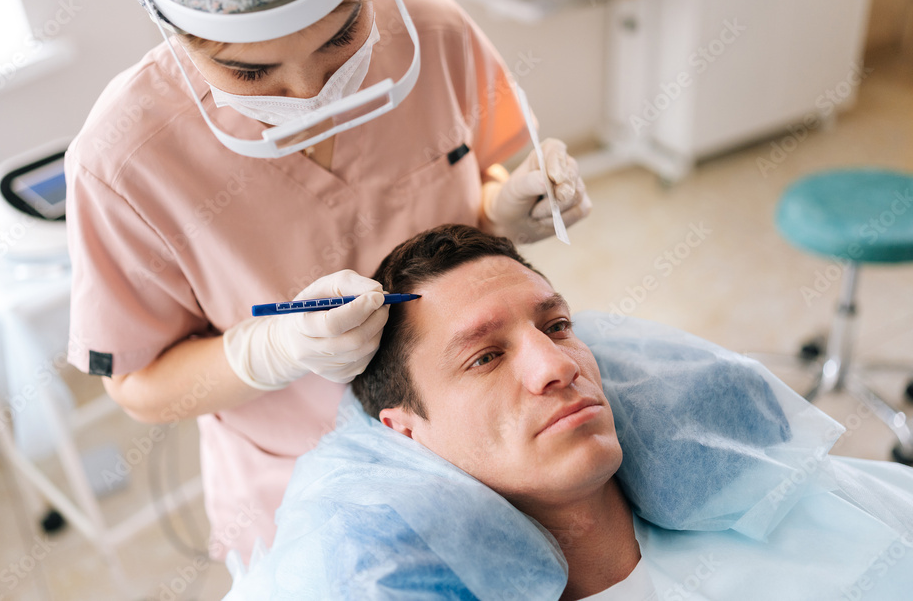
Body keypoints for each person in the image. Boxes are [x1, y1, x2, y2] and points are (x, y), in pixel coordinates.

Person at [65, 0, 591, 560]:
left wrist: (499, 209)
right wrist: (273, 351)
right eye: (250, 72)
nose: (312, 90)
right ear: (171, 28)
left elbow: (473, 179)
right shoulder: (122, 160)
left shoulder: (433, 32)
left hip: (486, 446)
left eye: (341, 37)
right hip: (304, 492)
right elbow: (138, 385)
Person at [246, 222, 913, 600]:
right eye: (485, 357)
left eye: (558, 325)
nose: (556, 366)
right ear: (406, 432)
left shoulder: (784, 502)